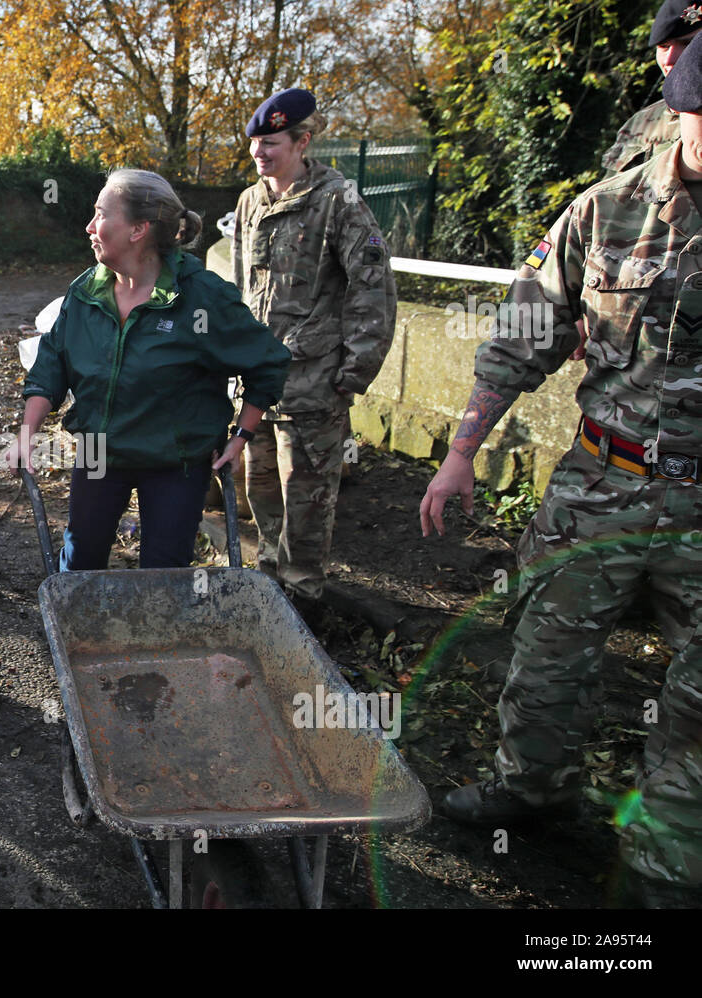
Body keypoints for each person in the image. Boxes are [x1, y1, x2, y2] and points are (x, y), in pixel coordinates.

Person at [418, 35, 702, 908]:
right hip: (602, 485)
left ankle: (664, 871)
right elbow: (517, 341)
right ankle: (529, 793)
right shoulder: (606, 210)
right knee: (545, 656)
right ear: (682, 110)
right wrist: (462, 452)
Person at [8, 169, 290, 574]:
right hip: (97, 453)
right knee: (81, 563)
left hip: (176, 460)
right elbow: (51, 366)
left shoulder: (201, 297)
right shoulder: (86, 292)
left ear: (139, 229)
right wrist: (26, 434)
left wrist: (241, 436)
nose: (89, 227)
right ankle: (83, 635)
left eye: (101, 215)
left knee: (165, 573)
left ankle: (156, 638)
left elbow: (267, 362)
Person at [231, 89, 396, 618]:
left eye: (272, 142)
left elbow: (371, 285)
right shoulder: (249, 202)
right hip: (258, 385)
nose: (260, 152)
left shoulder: (338, 200)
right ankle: (269, 585)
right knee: (262, 494)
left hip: (313, 384)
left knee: (306, 501)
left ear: (302, 141)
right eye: (255, 142)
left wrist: (355, 370)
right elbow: (240, 287)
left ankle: (303, 602)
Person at [601, 0, 697, 177]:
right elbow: (611, 197)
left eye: (688, 44)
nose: (669, 60)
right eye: (664, 47)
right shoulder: (640, 124)